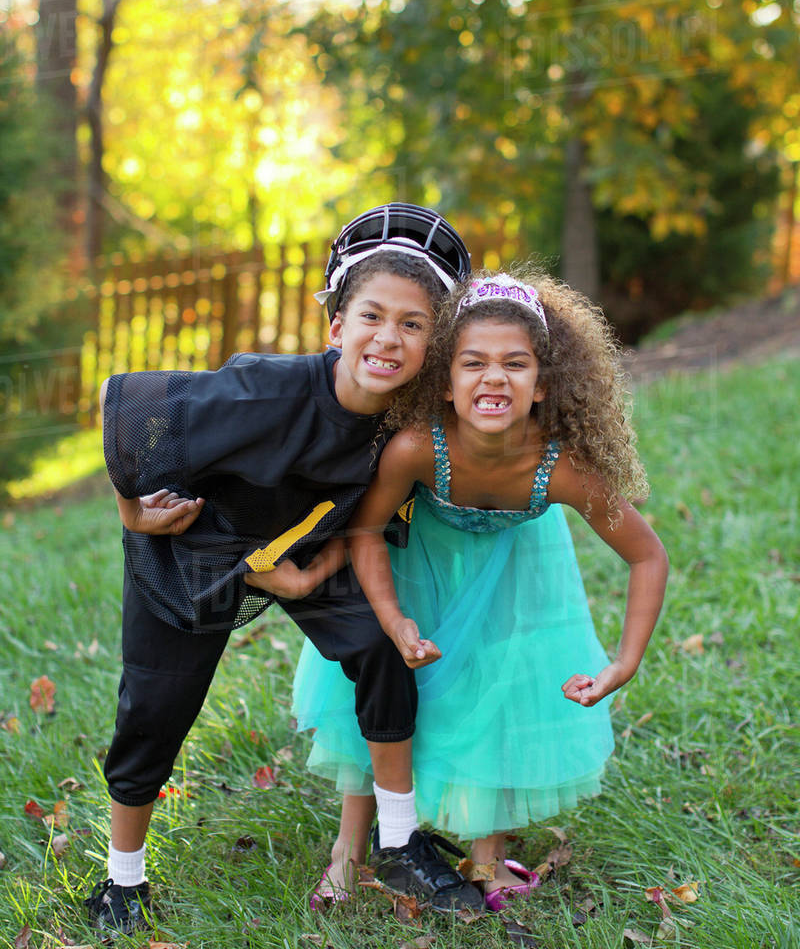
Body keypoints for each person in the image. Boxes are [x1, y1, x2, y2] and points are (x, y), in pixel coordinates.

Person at [85, 204, 488, 935]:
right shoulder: (263, 392)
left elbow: (363, 514)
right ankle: (122, 878)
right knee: (156, 708)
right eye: (371, 316)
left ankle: (397, 838)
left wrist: (305, 575)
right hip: (197, 550)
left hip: (302, 550)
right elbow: (124, 404)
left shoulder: (402, 423)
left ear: (435, 344)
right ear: (337, 326)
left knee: (380, 644)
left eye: (413, 323)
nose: (388, 338)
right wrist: (130, 509)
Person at [292, 269, 669, 910]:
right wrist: (391, 619)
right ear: (444, 379)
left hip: (515, 572)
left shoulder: (562, 468)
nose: (494, 378)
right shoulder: (416, 447)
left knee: (508, 687)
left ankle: (487, 858)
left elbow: (647, 557)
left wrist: (625, 661)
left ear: (543, 384)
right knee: (380, 690)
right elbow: (365, 532)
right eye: (473, 363)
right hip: (418, 566)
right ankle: (349, 849)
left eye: (515, 364)